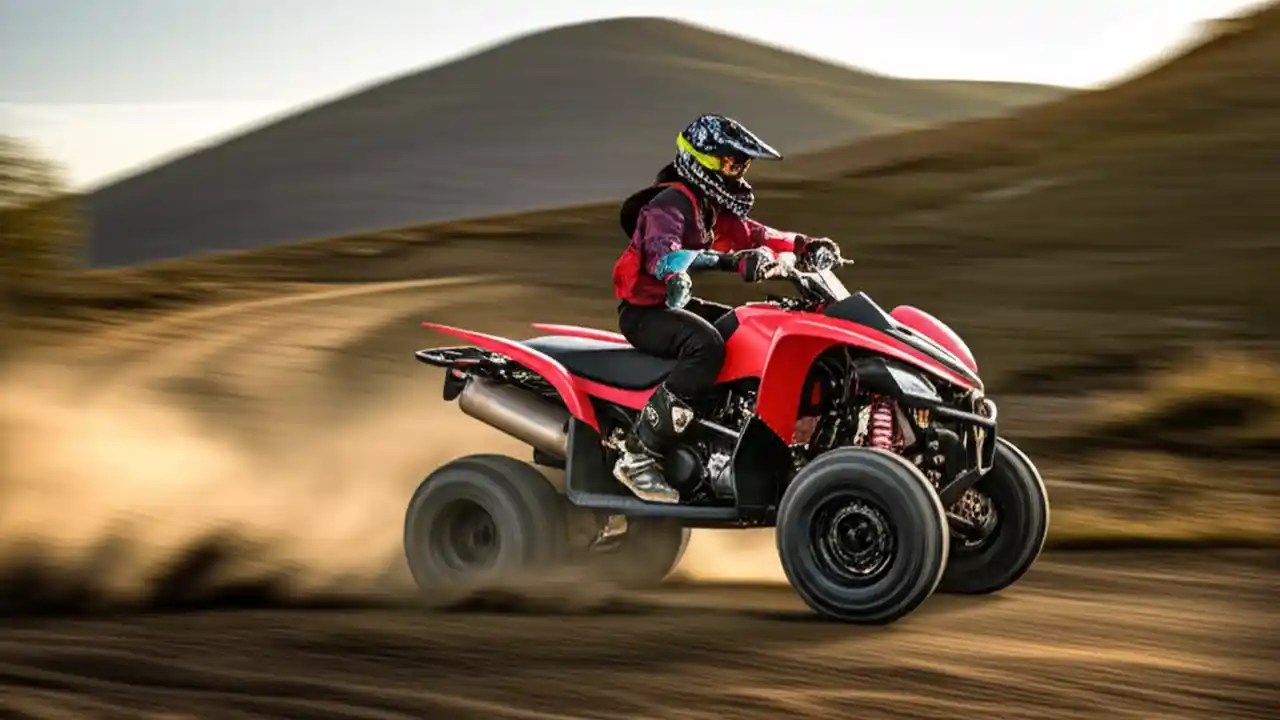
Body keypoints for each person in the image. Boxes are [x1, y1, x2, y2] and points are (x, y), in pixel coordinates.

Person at [610, 113, 840, 503]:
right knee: (706, 346)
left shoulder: (709, 207)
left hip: (665, 306)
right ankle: (638, 454)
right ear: (703, 160)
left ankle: (718, 430)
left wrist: (804, 244)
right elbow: (662, 259)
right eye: (732, 163)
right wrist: (728, 262)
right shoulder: (668, 203)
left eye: (742, 165)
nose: (738, 174)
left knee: (743, 329)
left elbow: (757, 233)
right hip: (643, 313)